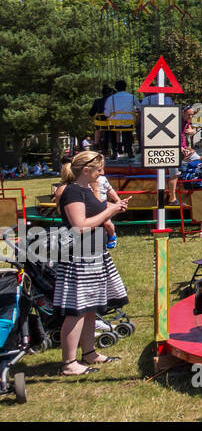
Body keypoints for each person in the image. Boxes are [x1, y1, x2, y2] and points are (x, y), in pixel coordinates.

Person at [53, 151, 128, 376]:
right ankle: (69, 363)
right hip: (80, 257)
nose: (102, 173)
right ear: (86, 170)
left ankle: (89, 353)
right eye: (99, 169)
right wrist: (111, 210)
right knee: (76, 310)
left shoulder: (86, 190)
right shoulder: (73, 191)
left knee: (91, 308)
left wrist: (110, 214)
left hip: (94, 254)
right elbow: (80, 226)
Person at [103, 80, 139, 159]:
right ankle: (129, 150)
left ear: (116, 88)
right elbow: (139, 107)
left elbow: (107, 112)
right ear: (125, 87)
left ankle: (115, 151)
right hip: (128, 122)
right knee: (128, 132)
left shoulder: (111, 98)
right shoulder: (132, 96)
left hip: (115, 122)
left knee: (113, 132)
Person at [89, 84, 112, 153]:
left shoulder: (97, 101)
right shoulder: (112, 101)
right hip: (112, 122)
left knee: (98, 128)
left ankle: (96, 144)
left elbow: (91, 113)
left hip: (101, 123)